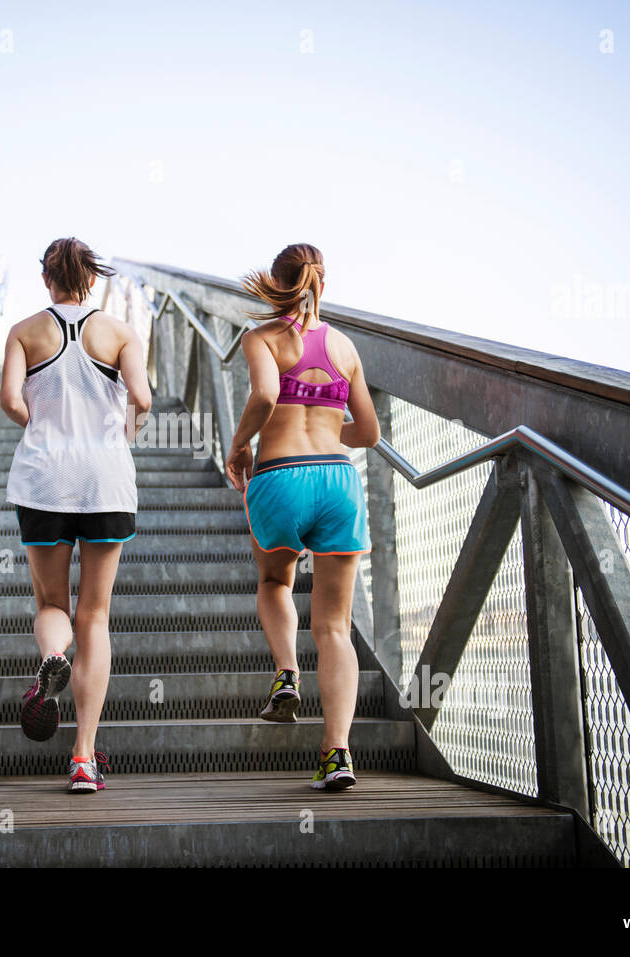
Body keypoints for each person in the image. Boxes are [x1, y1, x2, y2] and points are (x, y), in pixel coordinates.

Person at [225, 243, 381, 791]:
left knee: (274, 581)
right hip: (339, 481)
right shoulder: (344, 346)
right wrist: (322, 427)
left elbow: (266, 394)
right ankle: (336, 755)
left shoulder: (261, 337)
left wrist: (241, 444)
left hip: (280, 477)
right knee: (335, 627)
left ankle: (286, 675)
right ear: (323, 283)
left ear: (276, 281)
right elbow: (369, 433)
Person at [0, 237, 152, 792]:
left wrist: (37, 427)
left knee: (50, 603)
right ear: (92, 278)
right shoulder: (120, 332)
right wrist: (122, 436)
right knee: (96, 614)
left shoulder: (24, 331)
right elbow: (143, 397)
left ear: (47, 279)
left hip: (44, 481)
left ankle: (53, 655)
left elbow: (10, 400)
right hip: (106, 483)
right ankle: (84, 758)